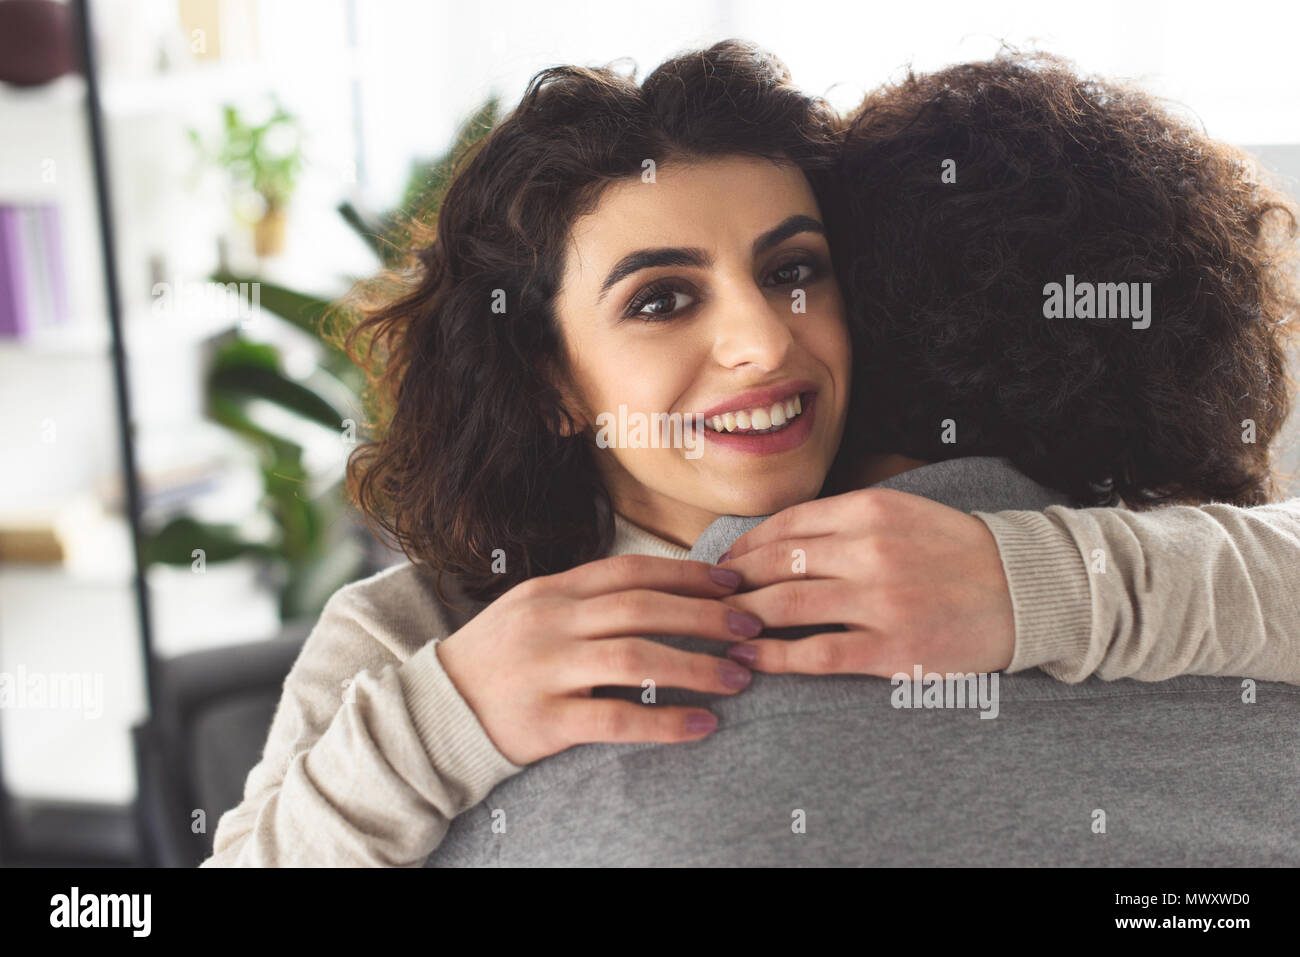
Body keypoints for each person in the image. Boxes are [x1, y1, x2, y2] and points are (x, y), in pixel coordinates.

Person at [203, 43, 1300, 867]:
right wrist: (449, 716)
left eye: (793, 271)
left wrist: (1038, 582)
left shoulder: (1006, 514)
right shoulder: (416, 628)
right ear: (548, 383)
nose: (765, 341)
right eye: (662, 299)